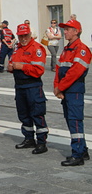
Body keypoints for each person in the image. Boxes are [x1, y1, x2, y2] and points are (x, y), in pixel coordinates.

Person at [53, 19, 91, 166]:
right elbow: (58, 69)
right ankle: (82, 150)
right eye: (65, 29)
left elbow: (75, 72)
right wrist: (57, 86)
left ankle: (78, 155)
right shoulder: (67, 49)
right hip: (66, 90)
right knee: (71, 120)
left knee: (75, 122)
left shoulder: (81, 49)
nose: (65, 31)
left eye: (68, 29)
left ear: (76, 31)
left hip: (74, 90)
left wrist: (60, 87)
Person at [8, 23, 48, 154]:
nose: (23, 38)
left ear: (30, 34)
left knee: (37, 114)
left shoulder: (37, 48)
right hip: (20, 86)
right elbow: (12, 61)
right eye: (21, 36)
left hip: (33, 86)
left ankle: (42, 142)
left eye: (25, 35)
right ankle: (29, 138)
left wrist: (22, 67)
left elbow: (38, 70)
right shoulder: (17, 48)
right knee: (23, 114)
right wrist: (10, 66)